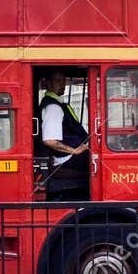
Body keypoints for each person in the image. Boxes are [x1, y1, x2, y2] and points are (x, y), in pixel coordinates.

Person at [38, 71, 90, 200]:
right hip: (66, 159)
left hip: (68, 156)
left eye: (63, 81)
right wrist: (75, 151)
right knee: (99, 161)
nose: (62, 84)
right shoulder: (53, 107)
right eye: (57, 81)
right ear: (48, 84)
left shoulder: (57, 103)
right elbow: (50, 141)